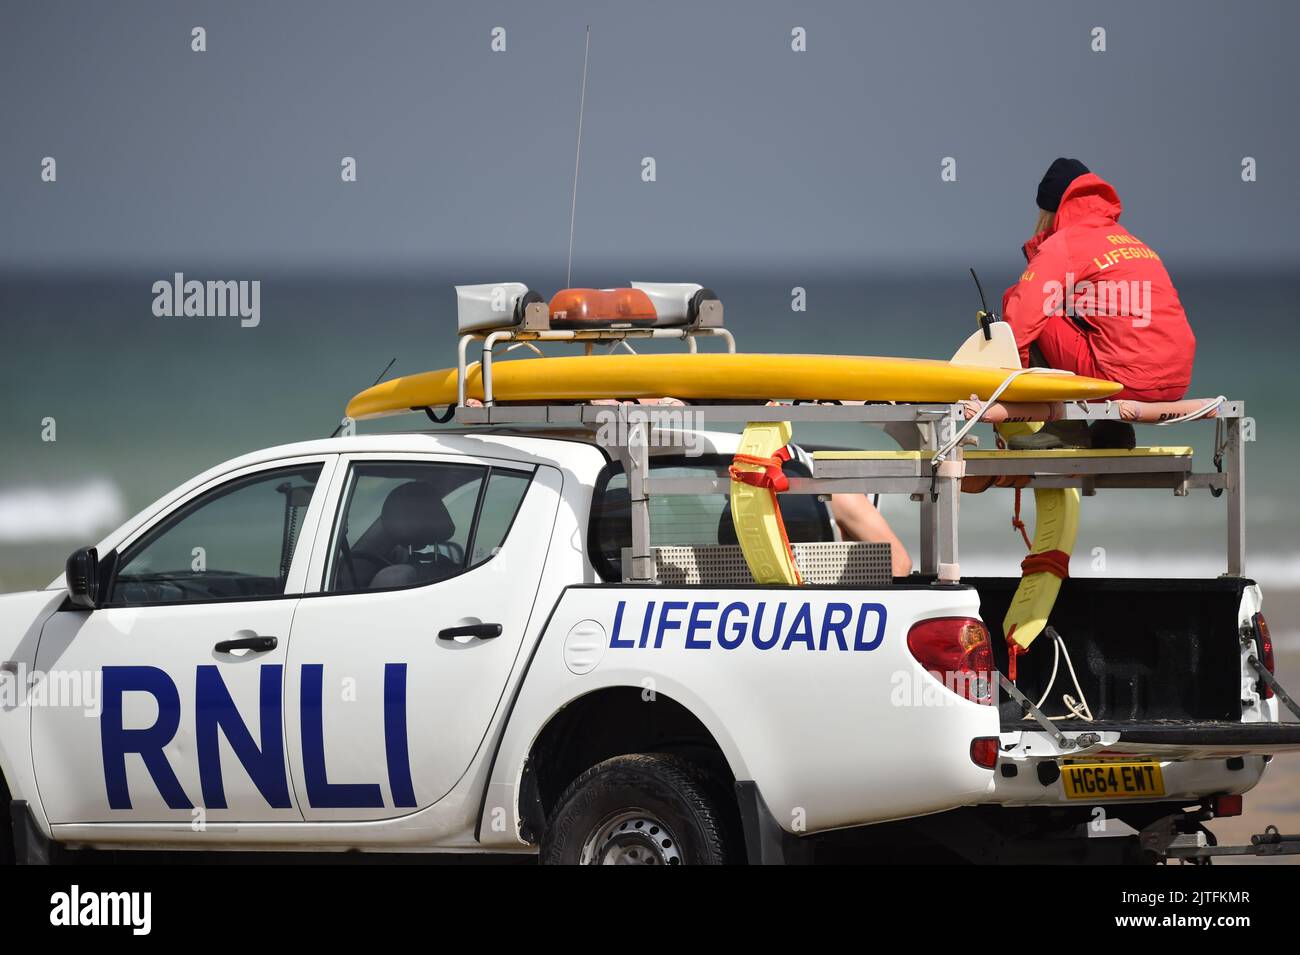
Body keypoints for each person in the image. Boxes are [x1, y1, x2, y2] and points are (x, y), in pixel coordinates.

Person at [1000, 158, 1196, 448]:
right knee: (1106, 321)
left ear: (1050, 209)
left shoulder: (1066, 242)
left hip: (1126, 383)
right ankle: (1114, 432)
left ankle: (1065, 429)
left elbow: (1020, 322)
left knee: (1020, 300)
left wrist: (1013, 388)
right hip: (1176, 381)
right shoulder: (1131, 241)